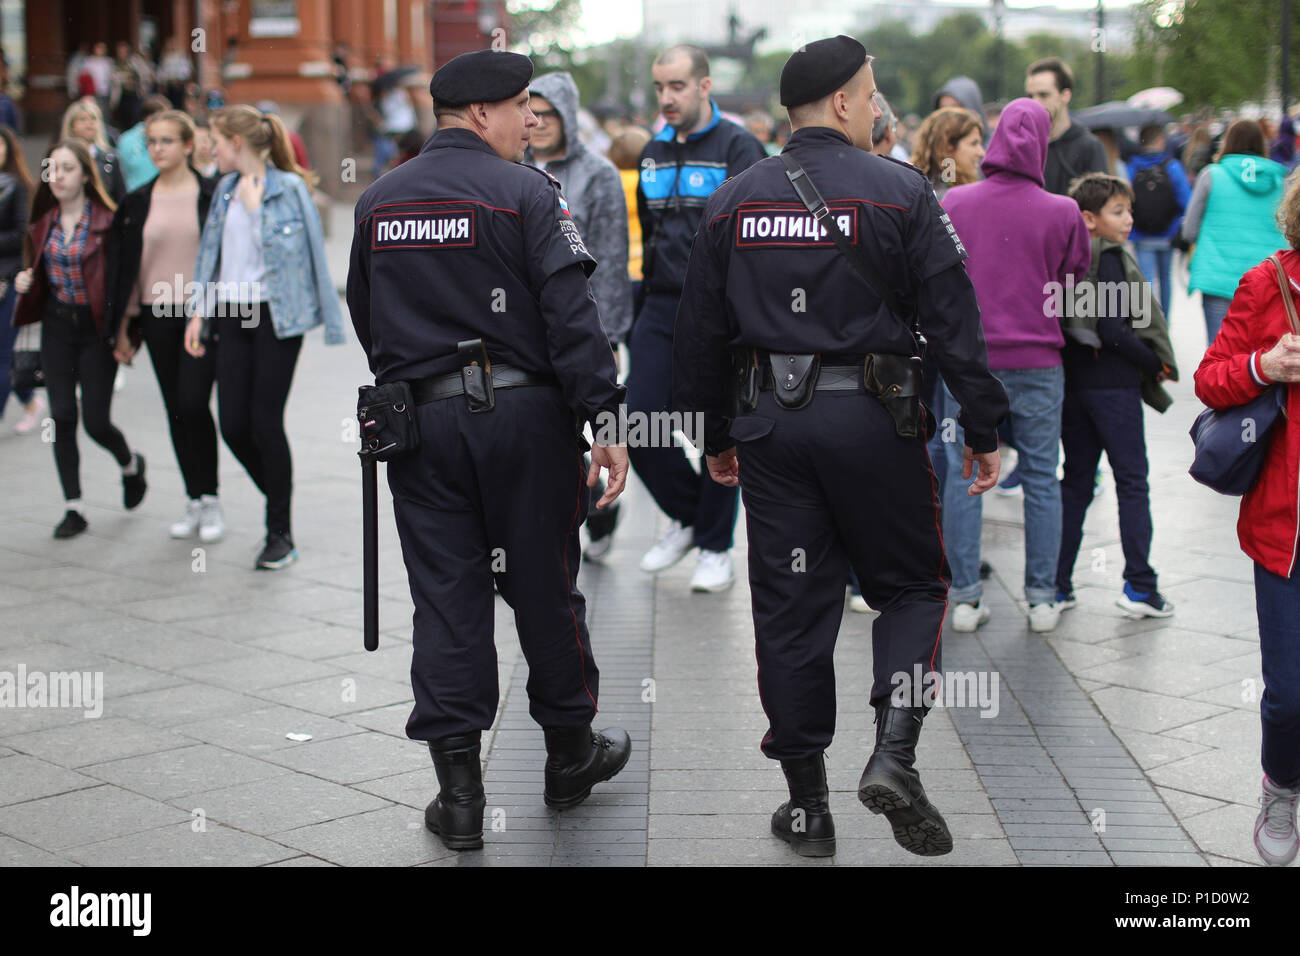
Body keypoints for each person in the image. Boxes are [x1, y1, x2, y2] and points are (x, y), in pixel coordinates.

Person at [673, 35, 1009, 858]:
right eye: (873, 90)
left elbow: (698, 334)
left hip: (771, 430)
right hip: (875, 421)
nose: (879, 104)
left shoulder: (735, 198)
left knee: (791, 612)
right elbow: (957, 323)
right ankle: (894, 752)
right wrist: (988, 427)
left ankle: (807, 807)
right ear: (845, 103)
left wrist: (717, 435)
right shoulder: (901, 191)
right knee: (914, 585)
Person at [346, 50, 633, 852]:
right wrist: (605, 420)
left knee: (447, 600)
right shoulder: (527, 193)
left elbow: (367, 315)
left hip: (420, 428)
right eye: (519, 110)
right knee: (544, 587)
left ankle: (460, 795)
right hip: (524, 422)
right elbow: (572, 317)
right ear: (481, 115)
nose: (528, 126)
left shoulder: (380, 199)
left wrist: (417, 380)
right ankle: (570, 757)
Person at [939, 98, 1093, 634]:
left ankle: (965, 596)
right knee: (1042, 479)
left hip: (970, 364)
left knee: (966, 476)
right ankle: (1042, 596)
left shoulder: (957, 201)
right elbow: (1075, 279)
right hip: (1039, 360)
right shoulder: (1064, 211)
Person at [183, 105, 345, 569]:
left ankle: (280, 533)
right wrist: (199, 312)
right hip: (232, 316)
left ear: (237, 142)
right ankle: (278, 493)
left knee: (265, 421)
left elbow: (309, 254)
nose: (210, 148)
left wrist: (258, 217)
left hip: (276, 316)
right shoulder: (224, 191)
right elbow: (210, 257)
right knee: (232, 424)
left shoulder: (290, 189)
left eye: (215, 140)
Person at [1193, 172, 1300, 866]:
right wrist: (1265, 363)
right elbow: (1210, 377)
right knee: (1289, 694)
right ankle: (1281, 787)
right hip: (1285, 531)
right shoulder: (1270, 285)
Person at [632, 44, 767, 593]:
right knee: (635, 421)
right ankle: (689, 518)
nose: (666, 98)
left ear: (704, 86)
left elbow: (753, 232)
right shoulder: (652, 151)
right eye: (660, 87)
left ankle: (715, 546)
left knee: (718, 427)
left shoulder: (739, 146)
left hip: (721, 310)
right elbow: (649, 228)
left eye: (677, 87)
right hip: (661, 304)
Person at [1056, 173, 1178, 619]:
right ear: (1089, 219)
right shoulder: (1107, 256)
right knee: (1131, 482)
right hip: (1113, 387)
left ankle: (1057, 582)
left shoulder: (1067, 255)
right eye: (1118, 212)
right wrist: (1154, 362)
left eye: (1128, 210)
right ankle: (1140, 587)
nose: (1128, 219)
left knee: (1075, 484)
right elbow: (1112, 330)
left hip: (1075, 386)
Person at [12, 140, 146, 537]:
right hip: (57, 328)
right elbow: (35, 271)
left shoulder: (109, 222)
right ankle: (74, 507)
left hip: (95, 330)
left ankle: (131, 464)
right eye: (51, 168)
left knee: (97, 422)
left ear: (86, 175)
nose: (57, 176)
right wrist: (24, 280)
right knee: (64, 417)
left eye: (67, 168)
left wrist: (126, 333)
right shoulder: (42, 222)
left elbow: (125, 282)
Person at [525, 71, 632, 561]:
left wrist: (608, 334)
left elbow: (609, 256)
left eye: (550, 114)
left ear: (568, 115)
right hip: (528, 328)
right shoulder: (512, 166)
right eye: (533, 112)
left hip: (585, 325)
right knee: (548, 436)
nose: (540, 123)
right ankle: (556, 529)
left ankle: (601, 509)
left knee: (593, 430)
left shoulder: (599, 174)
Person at [110, 109, 221, 542]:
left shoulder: (212, 194)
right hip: (157, 315)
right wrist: (122, 327)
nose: (157, 149)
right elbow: (126, 269)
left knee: (194, 403)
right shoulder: (137, 200)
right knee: (176, 408)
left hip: (200, 313)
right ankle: (194, 499)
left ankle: (211, 498)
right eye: (152, 141)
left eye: (167, 141)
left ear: (188, 145)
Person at [1182, 119, 1288, 346]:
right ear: (1262, 144)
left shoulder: (1211, 175)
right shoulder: (1280, 182)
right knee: (1263, 357)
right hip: (1267, 281)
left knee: (1219, 353)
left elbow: (1189, 229)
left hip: (1217, 277)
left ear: (1227, 142)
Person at [1127, 124, 1192, 320]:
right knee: (1165, 279)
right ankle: (1164, 322)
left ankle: (1147, 323)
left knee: (1145, 280)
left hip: (1141, 234)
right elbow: (1186, 200)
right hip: (1167, 234)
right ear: (1160, 141)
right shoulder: (1172, 166)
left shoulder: (1131, 167)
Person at [0, 126, 40, 432]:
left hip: (8, 280)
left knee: (2, 352)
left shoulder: (17, 186)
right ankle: (29, 399)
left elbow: (21, 235)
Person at [1025, 58, 1109, 197]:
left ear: (1065, 95)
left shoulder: (1088, 146)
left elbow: (1099, 205)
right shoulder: (1024, 145)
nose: (1035, 102)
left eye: (1043, 95)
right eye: (1030, 96)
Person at [909, 107, 985, 200]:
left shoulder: (915, 186)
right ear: (948, 146)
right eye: (973, 143)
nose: (981, 152)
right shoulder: (939, 197)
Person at [61, 99, 126, 202]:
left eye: (94, 118)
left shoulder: (112, 158)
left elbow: (121, 197)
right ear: (72, 126)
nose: (89, 123)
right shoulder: (58, 157)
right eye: (83, 119)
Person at [115, 94, 170, 193]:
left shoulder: (170, 140)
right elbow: (121, 173)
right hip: (134, 197)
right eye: (158, 118)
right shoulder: (127, 140)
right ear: (147, 118)